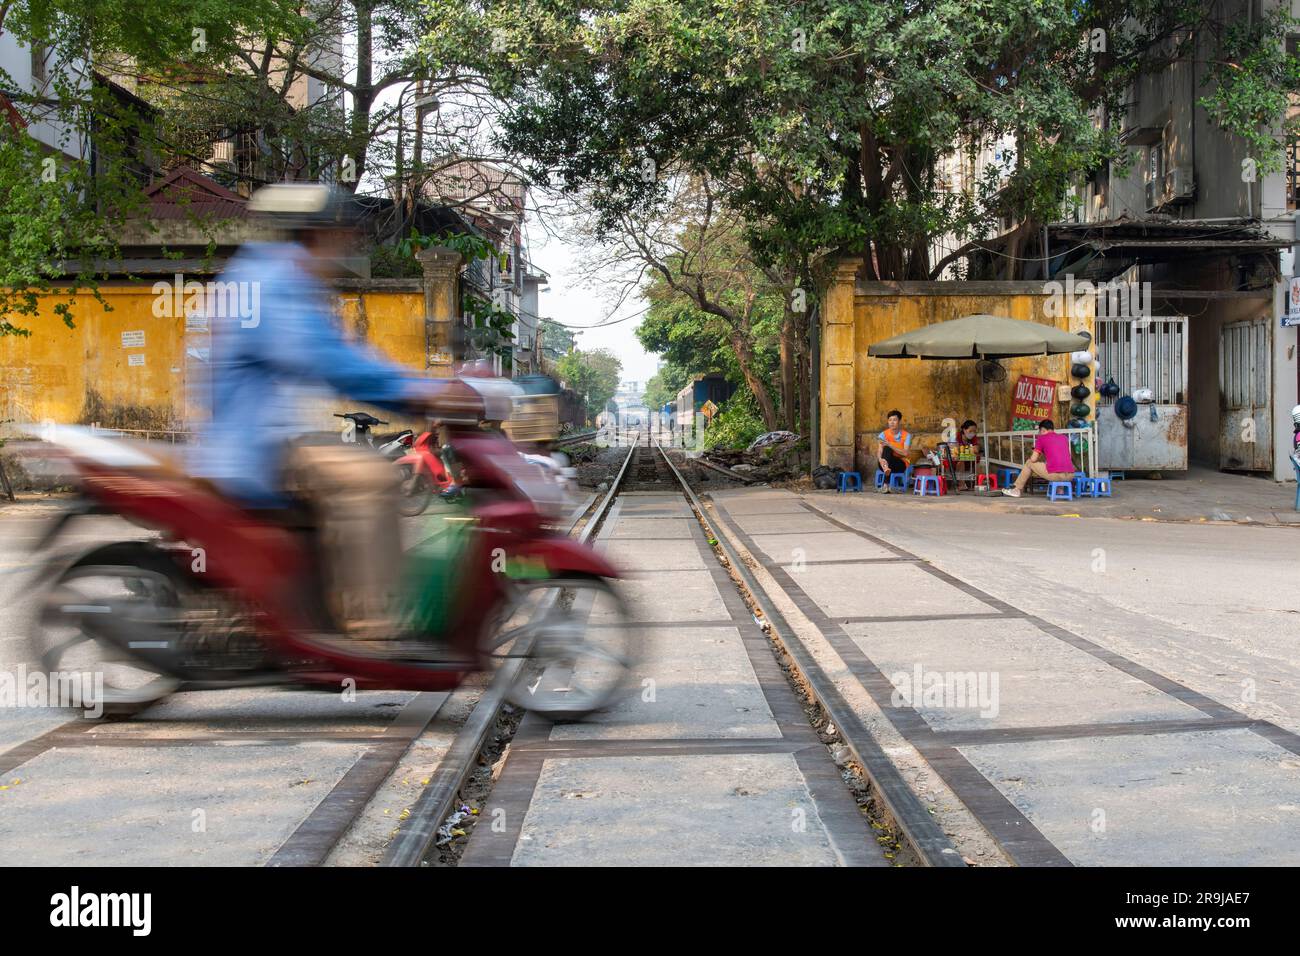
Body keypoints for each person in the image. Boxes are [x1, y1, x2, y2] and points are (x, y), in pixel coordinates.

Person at [191, 183, 454, 634]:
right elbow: (331, 362)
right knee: (372, 479)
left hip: (263, 438)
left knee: (353, 466)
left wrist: (416, 386)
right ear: (314, 234)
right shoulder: (274, 284)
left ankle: (327, 605)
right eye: (341, 236)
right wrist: (419, 392)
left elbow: (340, 355)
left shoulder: (272, 276)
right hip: (254, 448)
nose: (345, 247)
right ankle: (374, 622)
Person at [1001, 419, 1075, 498]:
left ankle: (1017, 489)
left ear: (1042, 430)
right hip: (1070, 475)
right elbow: (1066, 456)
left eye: (1039, 431)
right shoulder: (1063, 438)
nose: (1039, 433)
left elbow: (1033, 459)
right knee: (1056, 465)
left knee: (1029, 463)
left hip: (1055, 476)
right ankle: (1060, 490)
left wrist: (1036, 452)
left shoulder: (1041, 438)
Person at [876, 409, 912, 493]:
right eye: (890, 420)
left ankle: (885, 485)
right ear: (888, 422)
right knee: (886, 450)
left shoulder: (906, 435)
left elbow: (905, 453)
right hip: (883, 464)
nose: (892, 422)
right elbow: (880, 451)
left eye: (895, 420)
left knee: (888, 448)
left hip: (900, 464)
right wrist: (880, 459)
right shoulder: (883, 435)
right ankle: (886, 470)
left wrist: (890, 445)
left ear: (899, 422)